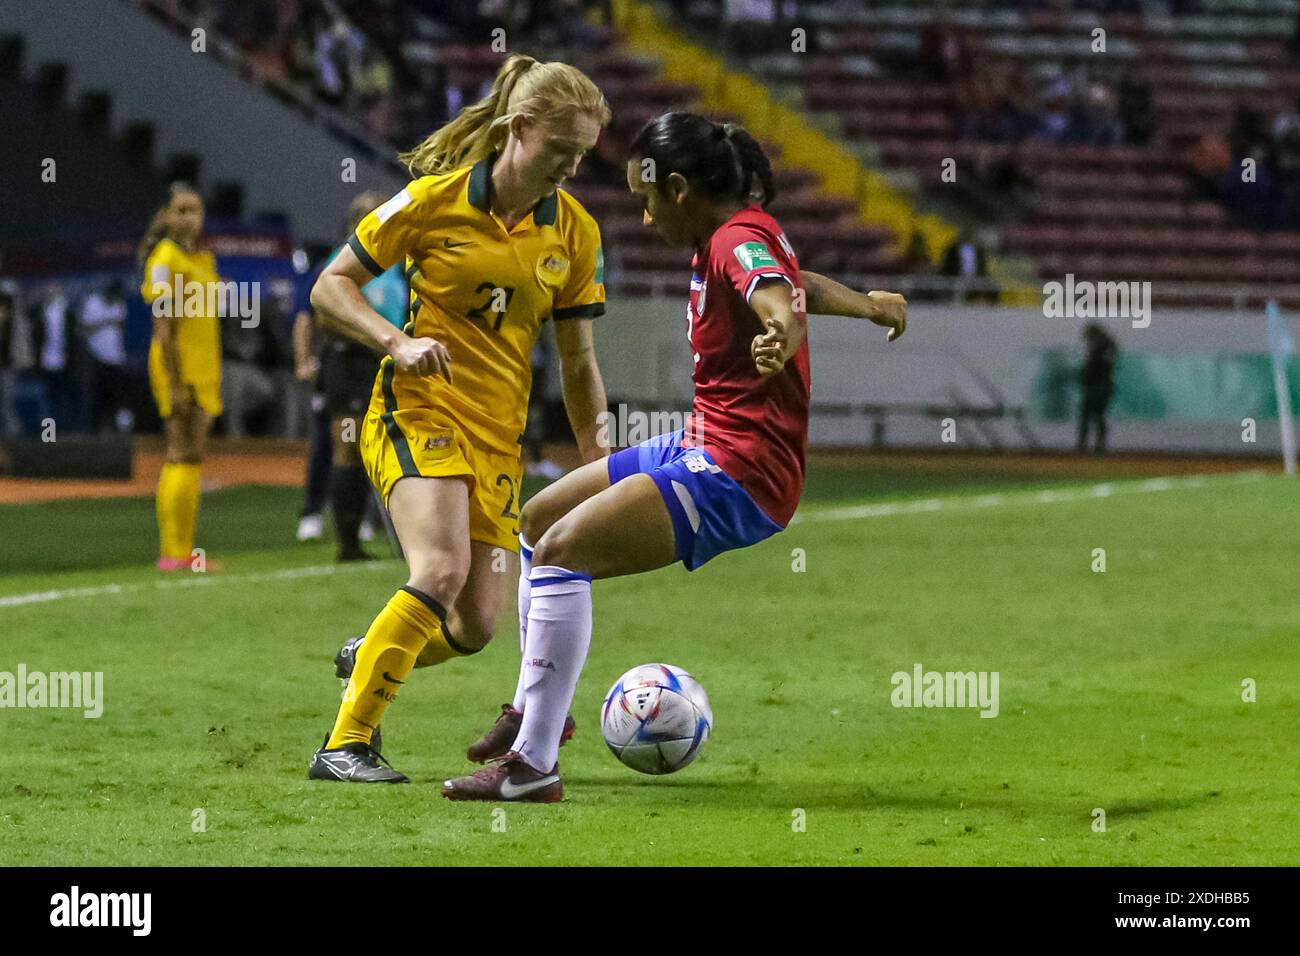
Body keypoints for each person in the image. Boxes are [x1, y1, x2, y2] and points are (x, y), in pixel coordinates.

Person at [442, 112, 907, 802]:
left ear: (681, 188)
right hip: (701, 439)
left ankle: (532, 766)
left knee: (566, 551)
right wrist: (866, 303)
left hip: (740, 470)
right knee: (539, 520)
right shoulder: (735, 235)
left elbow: (773, 293)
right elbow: (790, 276)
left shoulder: (734, 238)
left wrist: (779, 331)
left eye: (645, 196)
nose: (643, 211)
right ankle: (534, 712)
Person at [306, 54, 613, 783]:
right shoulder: (430, 201)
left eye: (582, 156)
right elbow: (330, 287)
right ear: (519, 128)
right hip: (417, 410)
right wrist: (398, 342)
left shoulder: (574, 233)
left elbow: (577, 364)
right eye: (560, 151)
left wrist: (599, 457)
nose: (571, 168)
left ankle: (379, 647)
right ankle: (345, 744)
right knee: (439, 569)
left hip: (498, 438)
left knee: (475, 627)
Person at [306, 191, 410, 562]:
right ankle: (347, 542)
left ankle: (383, 531)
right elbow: (324, 315)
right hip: (350, 361)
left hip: (385, 360)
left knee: (381, 447)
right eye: (368, 216)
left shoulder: (398, 265)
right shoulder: (343, 260)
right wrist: (375, 337)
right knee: (348, 446)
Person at [139, 183, 223, 572]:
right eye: (182, 210)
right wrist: (174, 380)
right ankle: (173, 553)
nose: (191, 218)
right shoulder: (164, 259)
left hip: (204, 368)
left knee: (191, 456)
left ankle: (184, 552)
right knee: (180, 452)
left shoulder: (202, 259)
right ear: (166, 216)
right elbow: (164, 326)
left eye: (196, 209)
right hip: (179, 368)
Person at [80, 278, 133, 433]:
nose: (116, 299)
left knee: (115, 396)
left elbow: (120, 329)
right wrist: (107, 321)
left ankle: (114, 429)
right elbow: (85, 329)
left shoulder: (120, 305)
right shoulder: (93, 302)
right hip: (95, 357)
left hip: (115, 358)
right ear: (108, 293)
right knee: (95, 396)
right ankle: (92, 430)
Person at [1078, 323, 1117, 455]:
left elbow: (1098, 368)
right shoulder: (1105, 348)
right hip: (1099, 387)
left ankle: (1090, 446)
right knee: (1094, 418)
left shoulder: (1102, 349)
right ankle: (1094, 446)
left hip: (1098, 388)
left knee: (1092, 417)